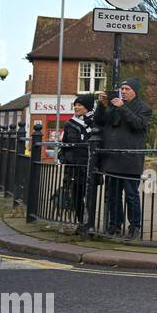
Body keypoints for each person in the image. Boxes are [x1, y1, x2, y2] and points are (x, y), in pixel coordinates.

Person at [94, 78, 152, 239]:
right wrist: (102, 105)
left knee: (131, 195)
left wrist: (123, 107)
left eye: (127, 89)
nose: (124, 91)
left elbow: (138, 125)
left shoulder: (144, 108)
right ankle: (114, 225)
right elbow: (100, 122)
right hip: (113, 157)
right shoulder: (113, 106)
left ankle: (135, 226)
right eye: (122, 88)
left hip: (130, 158)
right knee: (113, 195)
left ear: (134, 91)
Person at [59, 94, 95, 226]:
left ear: (87, 107)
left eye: (80, 105)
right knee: (76, 195)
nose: (76, 107)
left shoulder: (94, 122)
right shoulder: (69, 124)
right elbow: (65, 143)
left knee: (90, 196)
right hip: (73, 166)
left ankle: (89, 223)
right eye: (75, 105)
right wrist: (63, 157)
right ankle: (82, 223)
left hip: (88, 166)